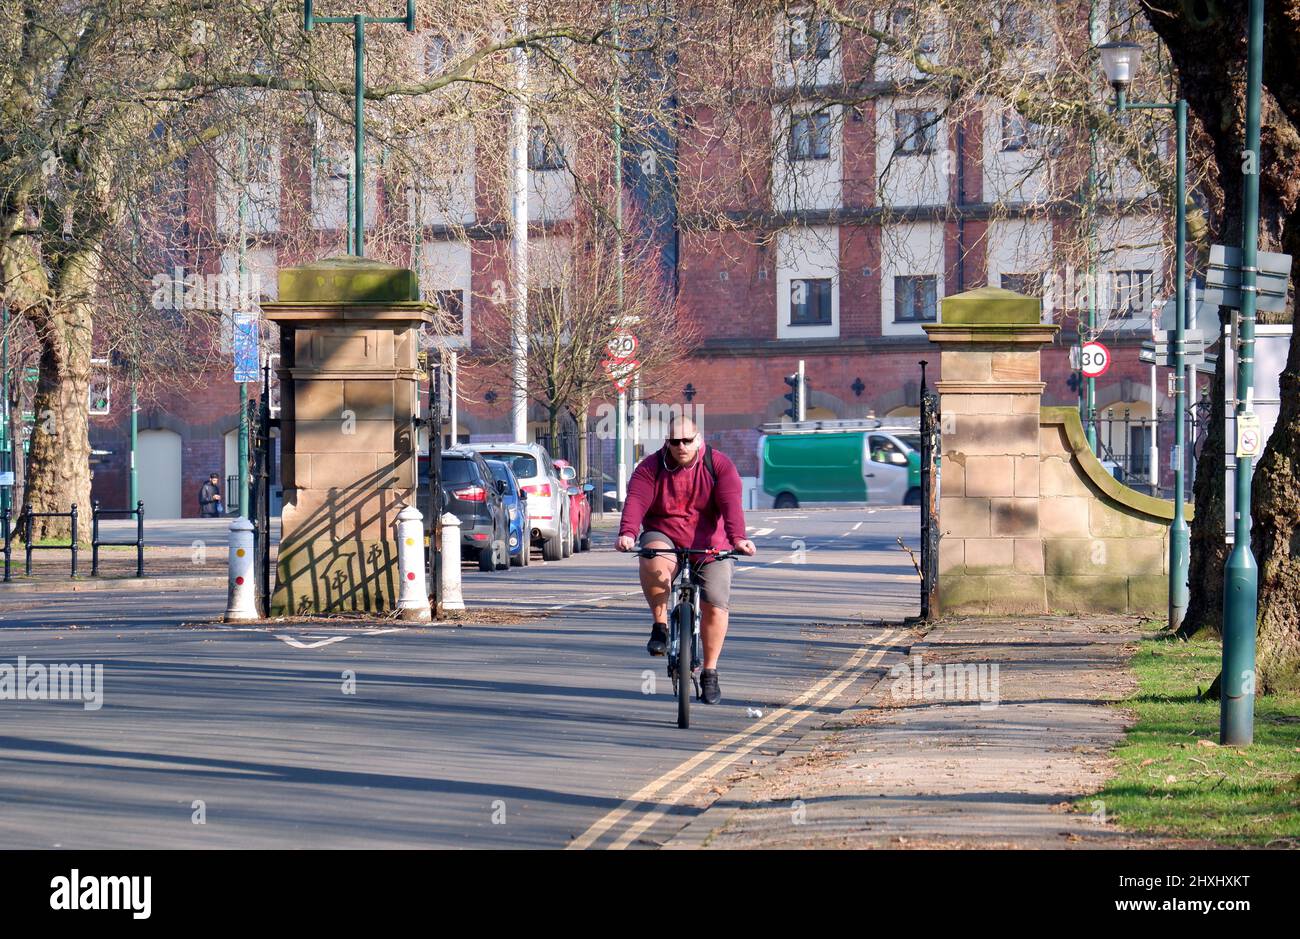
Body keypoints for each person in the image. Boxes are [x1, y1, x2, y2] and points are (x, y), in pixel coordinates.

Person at [615, 416, 756, 704]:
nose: (681, 446)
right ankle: (660, 626)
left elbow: (731, 505)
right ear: (667, 441)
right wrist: (628, 533)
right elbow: (636, 501)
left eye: (687, 441)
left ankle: (710, 672)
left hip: (709, 541)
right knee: (652, 556)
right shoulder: (650, 467)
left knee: (716, 602)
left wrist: (738, 538)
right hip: (665, 534)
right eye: (674, 441)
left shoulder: (719, 466)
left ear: (699, 439)